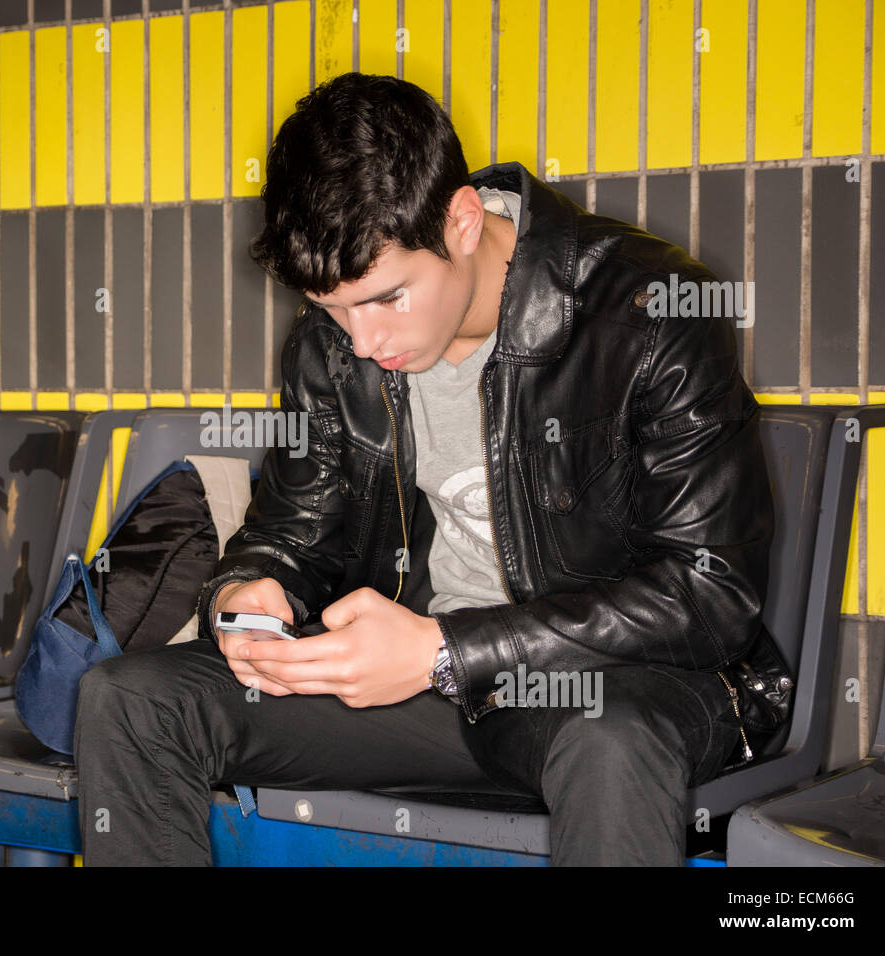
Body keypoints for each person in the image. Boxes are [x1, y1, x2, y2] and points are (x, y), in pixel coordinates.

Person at [73, 72, 791, 866]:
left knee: (609, 741)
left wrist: (447, 649)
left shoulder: (650, 310)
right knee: (130, 700)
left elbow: (710, 588)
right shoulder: (332, 343)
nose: (360, 340)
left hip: (601, 687)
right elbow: (291, 530)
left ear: (461, 222)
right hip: (411, 691)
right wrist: (248, 592)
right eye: (332, 308)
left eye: (386, 299)